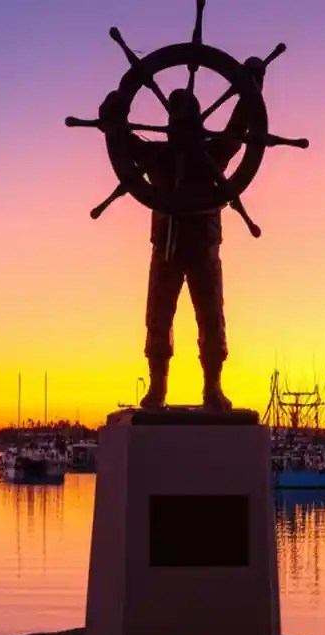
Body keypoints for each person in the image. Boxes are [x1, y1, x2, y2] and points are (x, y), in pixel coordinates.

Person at [102, 57, 265, 411]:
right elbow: (118, 137)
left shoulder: (201, 153)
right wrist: (112, 110)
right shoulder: (162, 156)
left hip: (202, 248)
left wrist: (253, 87)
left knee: (210, 318)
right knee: (159, 318)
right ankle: (159, 389)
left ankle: (212, 389)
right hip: (168, 248)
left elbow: (240, 125)